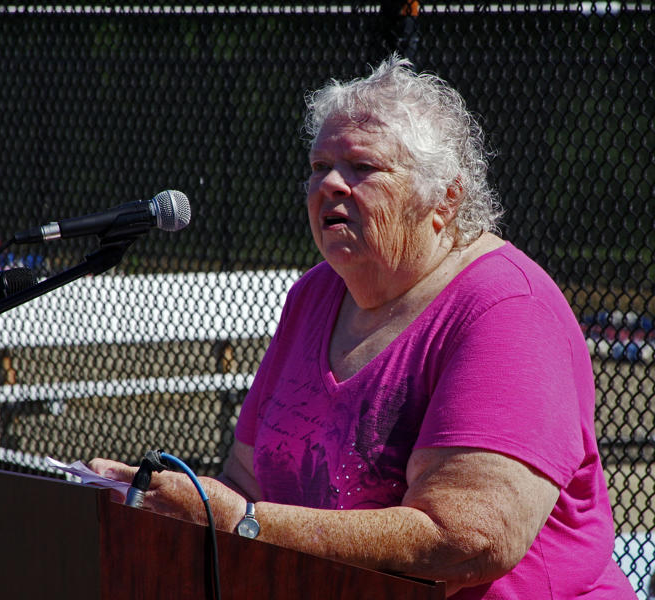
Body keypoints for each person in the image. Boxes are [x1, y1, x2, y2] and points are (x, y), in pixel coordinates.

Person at [90, 54, 635, 598]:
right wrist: (166, 507)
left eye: (362, 167)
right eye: (318, 166)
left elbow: (465, 541)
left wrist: (240, 522)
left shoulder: (509, 310)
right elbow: (245, 481)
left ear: (445, 198)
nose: (329, 183)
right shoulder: (315, 294)